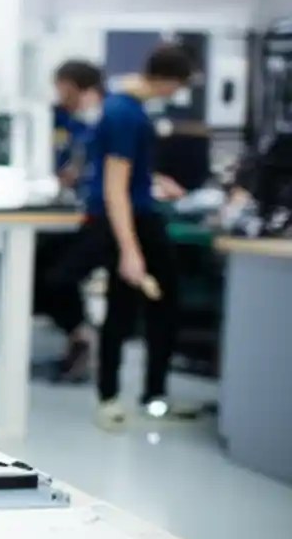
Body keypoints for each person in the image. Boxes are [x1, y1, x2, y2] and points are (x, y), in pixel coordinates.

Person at [47, 43, 196, 430]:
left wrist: (155, 181)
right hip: (131, 220)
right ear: (169, 80)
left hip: (134, 213)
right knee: (132, 308)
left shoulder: (122, 106)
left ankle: (145, 396)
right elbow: (115, 188)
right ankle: (120, 396)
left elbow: (126, 173)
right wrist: (130, 251)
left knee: (137, 308)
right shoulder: (125, 114)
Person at [33, 59, 105, 382]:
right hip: (76, 216)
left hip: (103, 220)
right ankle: (77, 336)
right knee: (37, 267)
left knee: (59, 276)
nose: (59, 96)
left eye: (63, 89)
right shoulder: (62, 121)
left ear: (77, 87)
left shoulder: (104, 121)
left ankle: (83, 338)